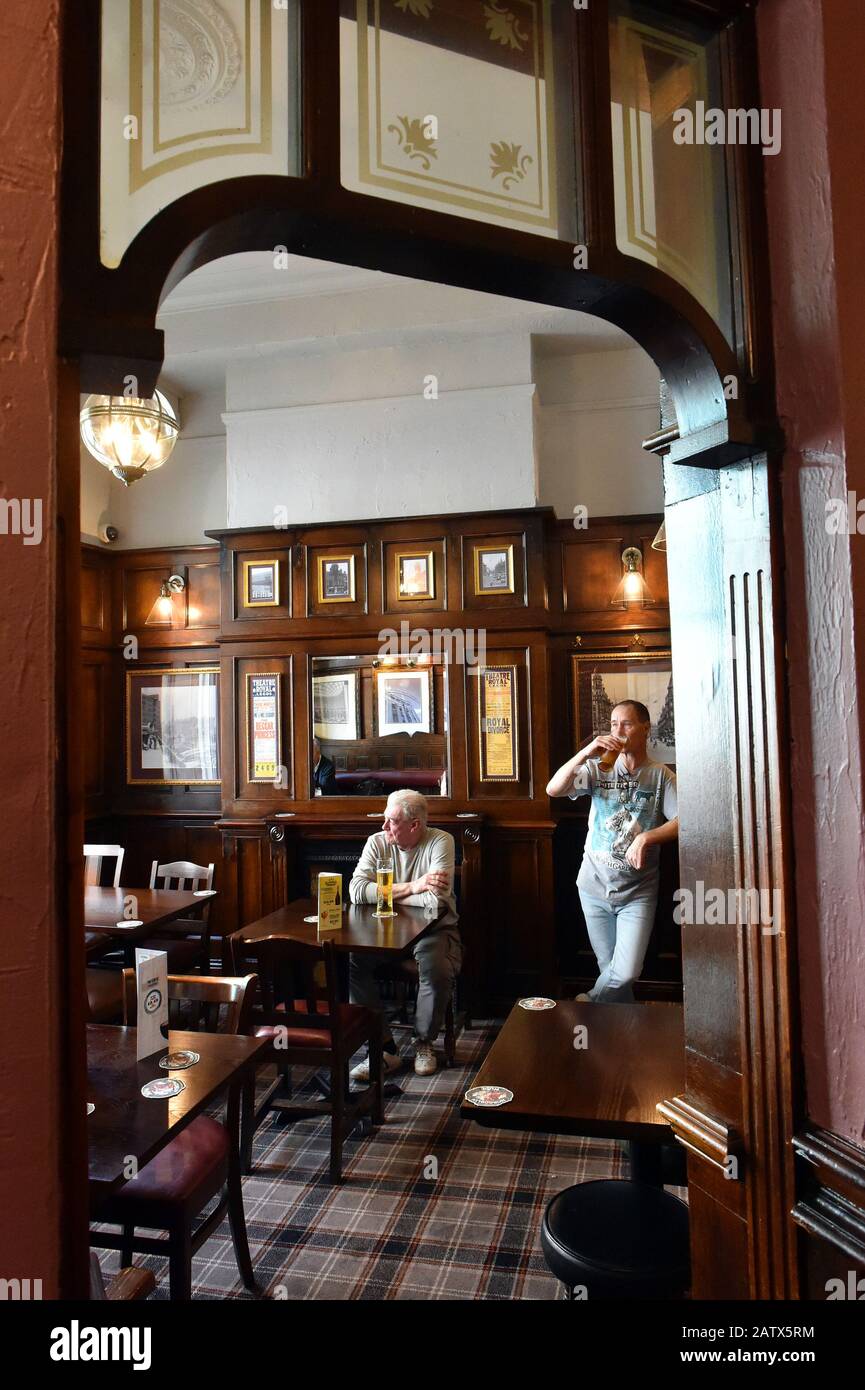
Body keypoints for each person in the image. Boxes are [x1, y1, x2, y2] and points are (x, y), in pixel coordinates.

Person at [546, 700, 678, 1003]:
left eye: (627, 724)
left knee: (625, 973)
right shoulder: (597, 769)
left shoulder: (660, 776)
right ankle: (617, 1042)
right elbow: (553, 789)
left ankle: (588, 1003)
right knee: (611, 972)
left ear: (646, 729)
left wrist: (646, 838)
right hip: (593, 887)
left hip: (638, 892)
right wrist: (585, 753)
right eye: (614, 724)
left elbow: (686, 820)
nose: (618, 731)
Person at [348, 790, 462, 1077]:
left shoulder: (440, 841)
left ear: (415, 825)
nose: (384, 827)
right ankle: (383, 1047)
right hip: (383, 931)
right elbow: (357, 892)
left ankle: (424, 1041)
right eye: (385, 819)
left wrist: (386, 895)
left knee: (436, 966)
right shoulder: (376, 843)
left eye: (392, 821)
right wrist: (414, 887)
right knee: (354, 961)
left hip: (433, 929)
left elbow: (435, 901)